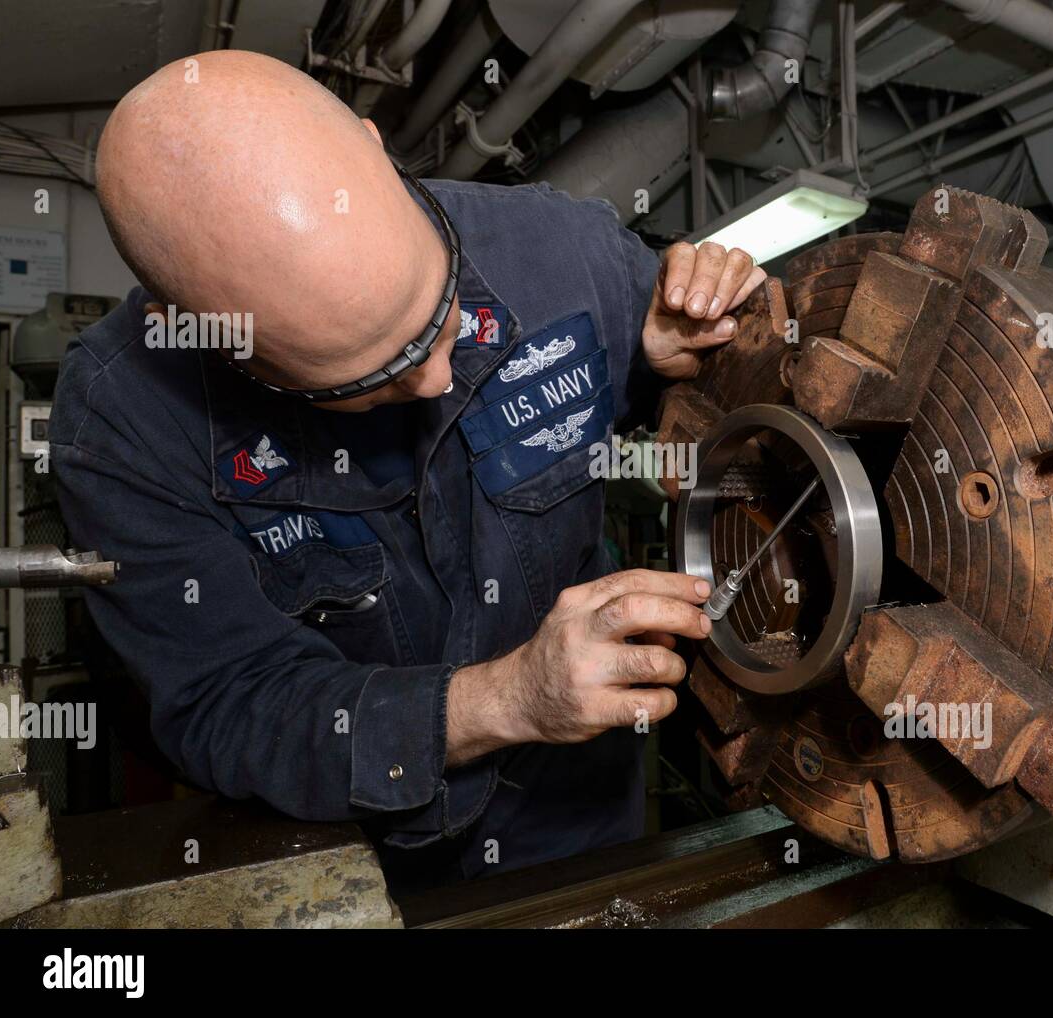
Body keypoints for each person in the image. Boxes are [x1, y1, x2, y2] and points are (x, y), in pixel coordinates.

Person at [49, 50, 765, 876]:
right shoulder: (124, 422)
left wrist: (689, 342)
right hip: (350, 852)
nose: (434, 375)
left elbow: (704, 408)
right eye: (369, 376)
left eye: (439, 310)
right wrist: (507, 699)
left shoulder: (560, 252)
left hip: (578, 817)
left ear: (374, 145)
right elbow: (228, 705)